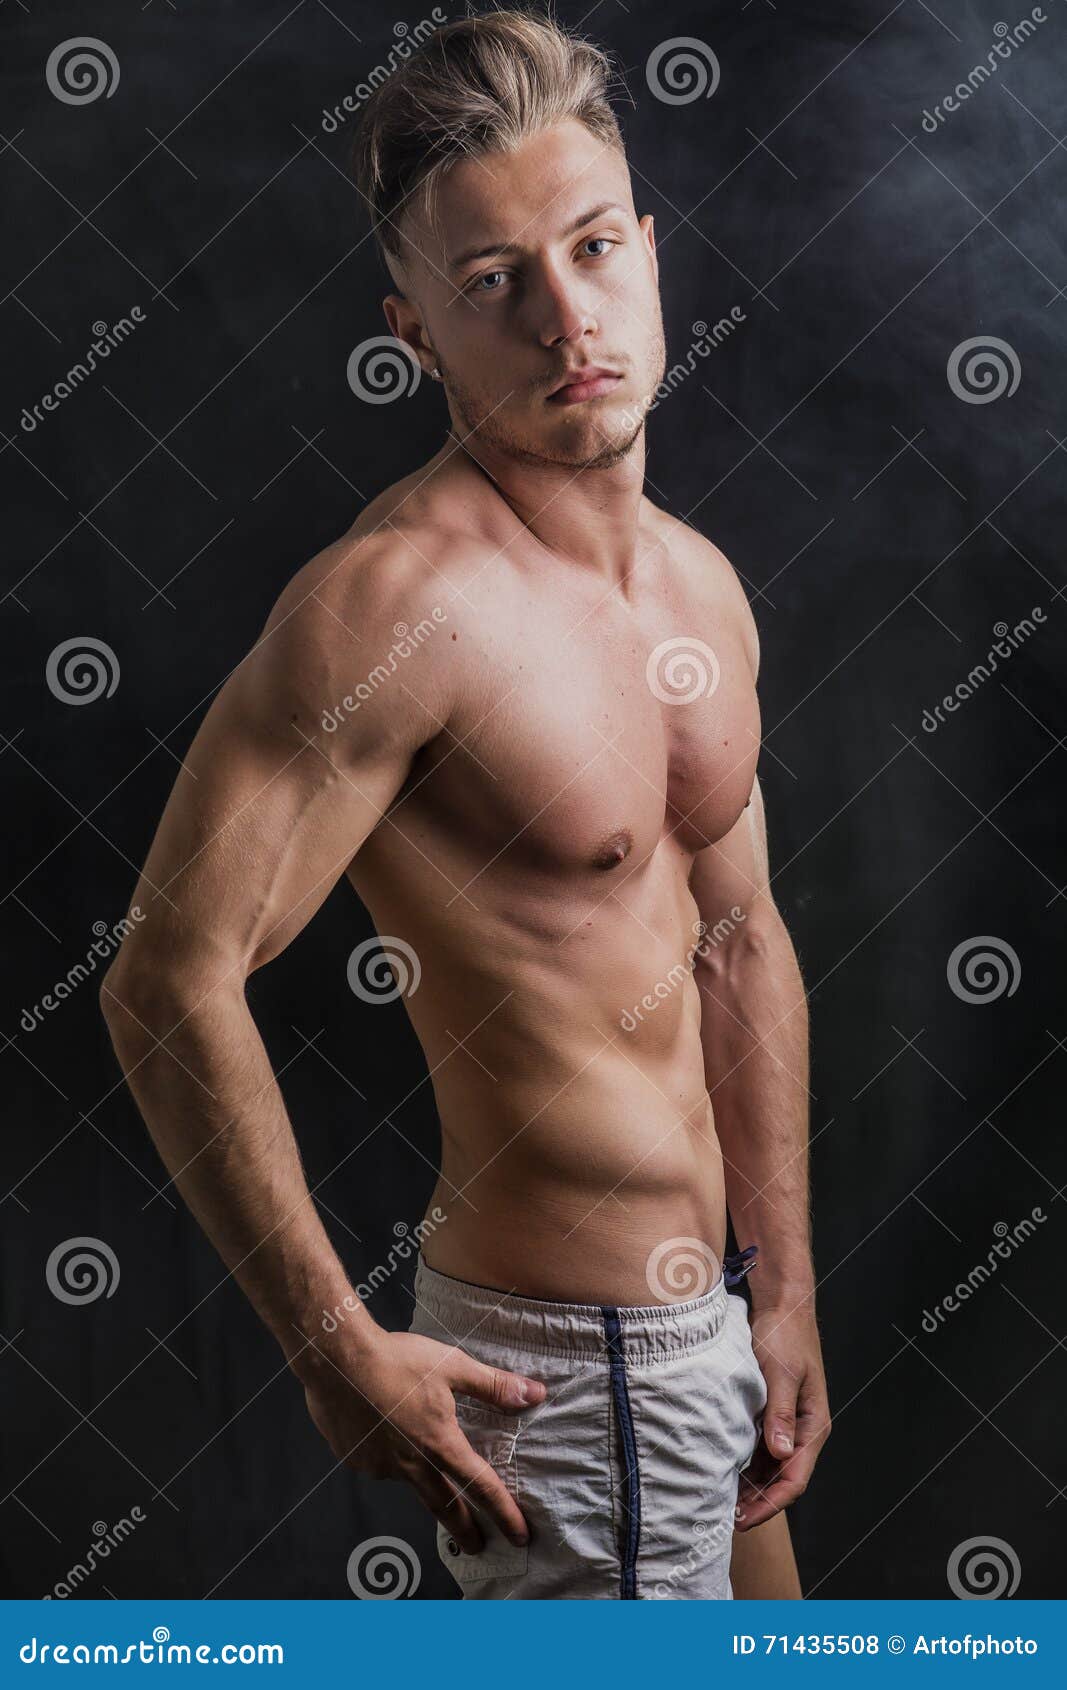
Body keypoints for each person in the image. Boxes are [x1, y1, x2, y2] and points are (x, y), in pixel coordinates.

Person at [101, 8, 827, 1600]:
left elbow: (742, 937)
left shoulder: (700, 588)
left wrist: (785, 1291)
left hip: (713, 1339)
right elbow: (167, 978)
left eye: (589, 248)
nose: (566, 315)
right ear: (413, 329)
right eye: (494, 282)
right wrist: (329, 1341)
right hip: (570, 1380)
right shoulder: (394, 609)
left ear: (649, 247)